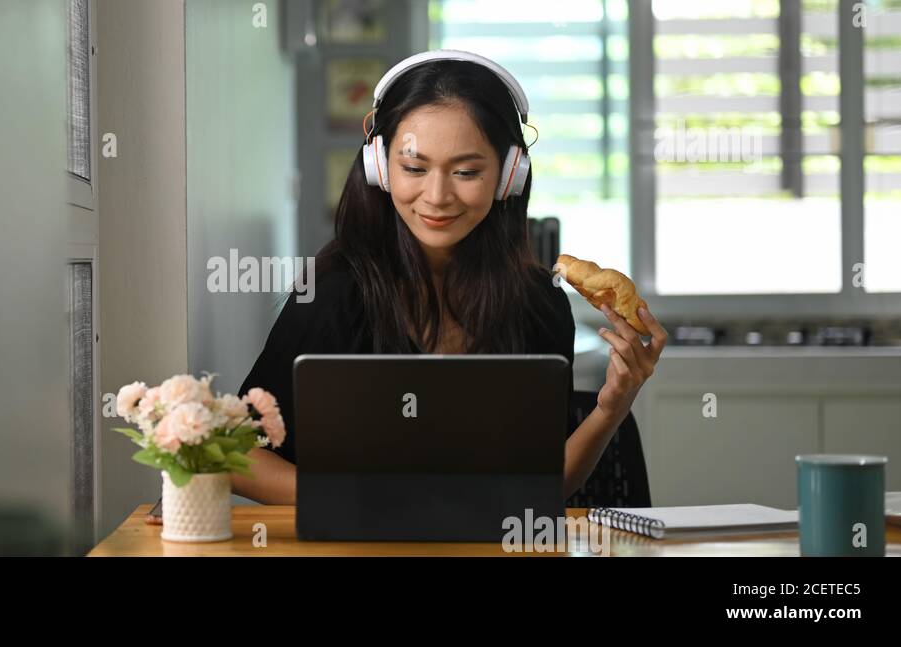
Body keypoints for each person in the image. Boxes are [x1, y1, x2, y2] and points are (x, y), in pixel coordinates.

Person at [232, 51, 667, 505]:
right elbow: (238, 453)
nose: (437, 197)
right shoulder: (334, 292)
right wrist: (357, 498)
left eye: (466, 172)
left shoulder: (539, 302)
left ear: (509, 176)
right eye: (414, 168)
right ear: (379, 167)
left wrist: (612, 407)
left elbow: (542, 486)